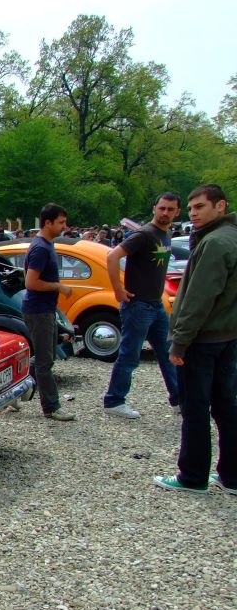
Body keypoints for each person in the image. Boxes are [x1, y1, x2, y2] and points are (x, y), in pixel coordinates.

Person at [154, 184, 237, 494]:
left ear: (220, 206)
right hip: (227, 334)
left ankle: (192, 476)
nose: (193, 213)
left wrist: (180, 342)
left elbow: (198, 298)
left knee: (196, 408)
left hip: (204, 339)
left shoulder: (215, 242)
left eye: (200, 207)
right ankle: (231, 475)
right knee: (227, 406)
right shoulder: (229, 236)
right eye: (190, 209)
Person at [102, 193, 181, 419]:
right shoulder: (144, 234)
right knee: (130, 355)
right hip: (138, 305)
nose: (165, 213)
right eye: (162, 208)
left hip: (155, 305)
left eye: (170, 209)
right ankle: (114, 400)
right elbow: (112, 256)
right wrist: (118, 290)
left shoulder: (165, 234)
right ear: (154, 208)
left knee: (168, 353)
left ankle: (178, 399)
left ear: (177, 212)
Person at [22, 203, 75, 421]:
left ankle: (16, 387)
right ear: (48, 223)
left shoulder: (46, 245)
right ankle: (52, 407)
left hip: (46, 310)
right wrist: (58, 287)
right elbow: (30, 282)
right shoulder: (41, 249)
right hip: (38, 311)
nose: (65, 226)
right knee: (45, 363)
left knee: (45, 357)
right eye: (61, 222)